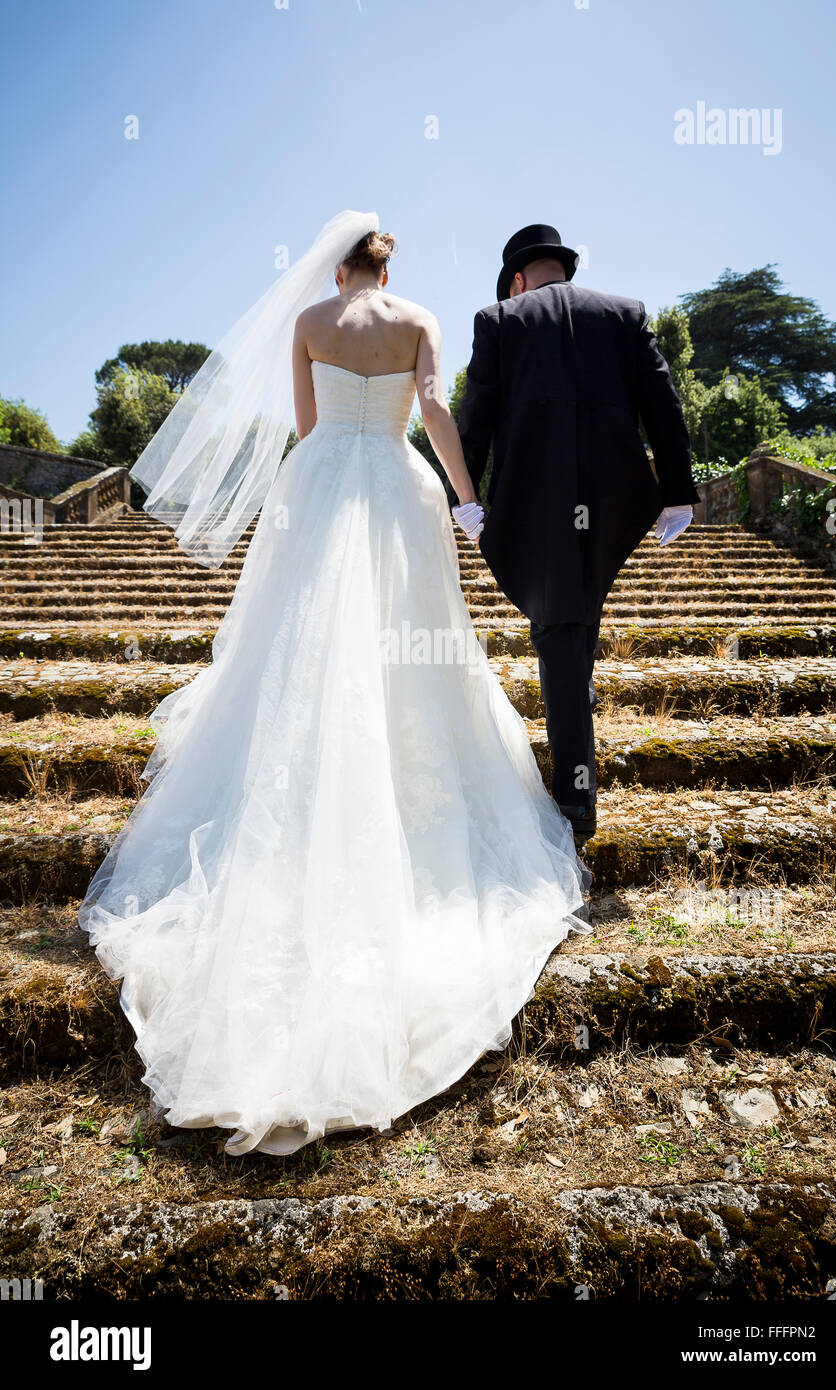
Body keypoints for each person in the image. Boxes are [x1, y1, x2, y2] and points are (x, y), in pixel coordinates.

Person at [78, 212, 590, 1158]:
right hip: (400, 487)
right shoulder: (425, 319)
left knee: (298, 642)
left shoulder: (308, 324)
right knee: (409, 643)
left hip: (318, 486)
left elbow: (308, 427)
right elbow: (435, 411)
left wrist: (339, 448)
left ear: (337, 263)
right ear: (389, 266)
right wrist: (468, 497)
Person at [459, 223, 701, 845]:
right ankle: (577, 701)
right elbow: (663, 403)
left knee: (560, 628)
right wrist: (677, 491)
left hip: (535, 504)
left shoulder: (498, 320)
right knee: (573, 622)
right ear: (562, 268)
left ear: (517, 279)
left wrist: (461, 501)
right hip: (613, 497)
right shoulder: (624, 313)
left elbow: (475, 424)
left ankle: (575, 802)